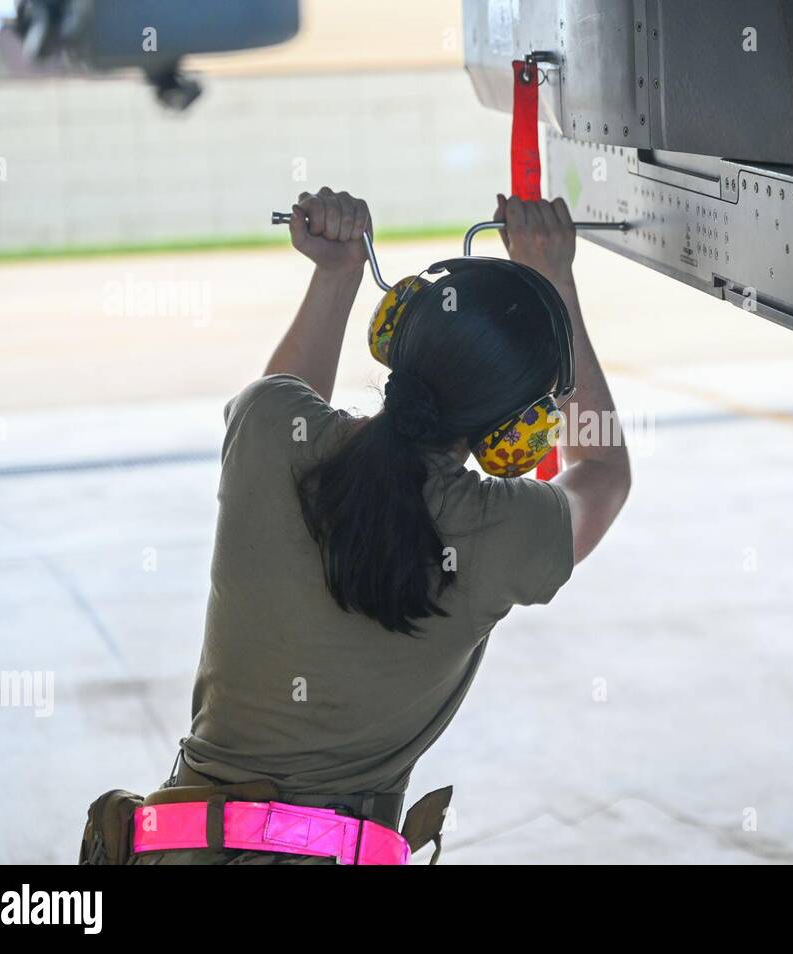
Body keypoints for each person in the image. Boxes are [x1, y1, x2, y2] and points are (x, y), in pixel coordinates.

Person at [131, 187, 630, 864]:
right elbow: (602, 469)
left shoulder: (265, 429)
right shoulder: (503, 531)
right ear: (519, 432)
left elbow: (291, 397)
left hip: (171, 850)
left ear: (391, 329)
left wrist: (336, 272)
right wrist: (556, 279)